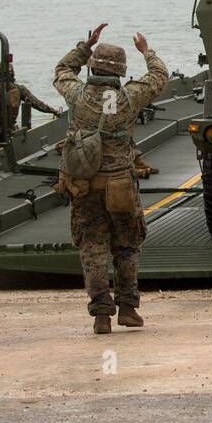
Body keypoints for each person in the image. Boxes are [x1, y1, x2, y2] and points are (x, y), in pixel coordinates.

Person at [53, 23, 169, 334]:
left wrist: (85, 45)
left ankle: (101, 315)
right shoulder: (130, 98)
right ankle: (128, 309)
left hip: (86, 185)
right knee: (127, 246)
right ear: (119, 72)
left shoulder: (76, 96)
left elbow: (62, 70)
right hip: (120, 186)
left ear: (92, 67)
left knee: (93, 247)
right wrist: (147, 51)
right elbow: (159, 77)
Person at [0, 66, 62, 142]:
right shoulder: (20, 89)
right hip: (10, 129)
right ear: (12, 74)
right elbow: (37, 104)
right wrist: (53, 110)